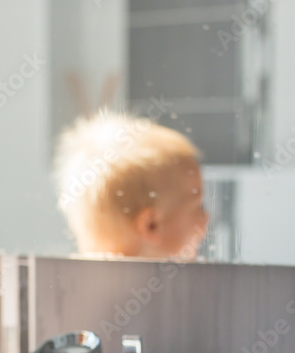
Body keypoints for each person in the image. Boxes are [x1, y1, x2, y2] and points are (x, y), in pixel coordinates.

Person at [54, 111, 209, 260]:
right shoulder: (166, 285)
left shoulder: (73, 282)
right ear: (151, 225)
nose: (206, 218)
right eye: (198, 206)